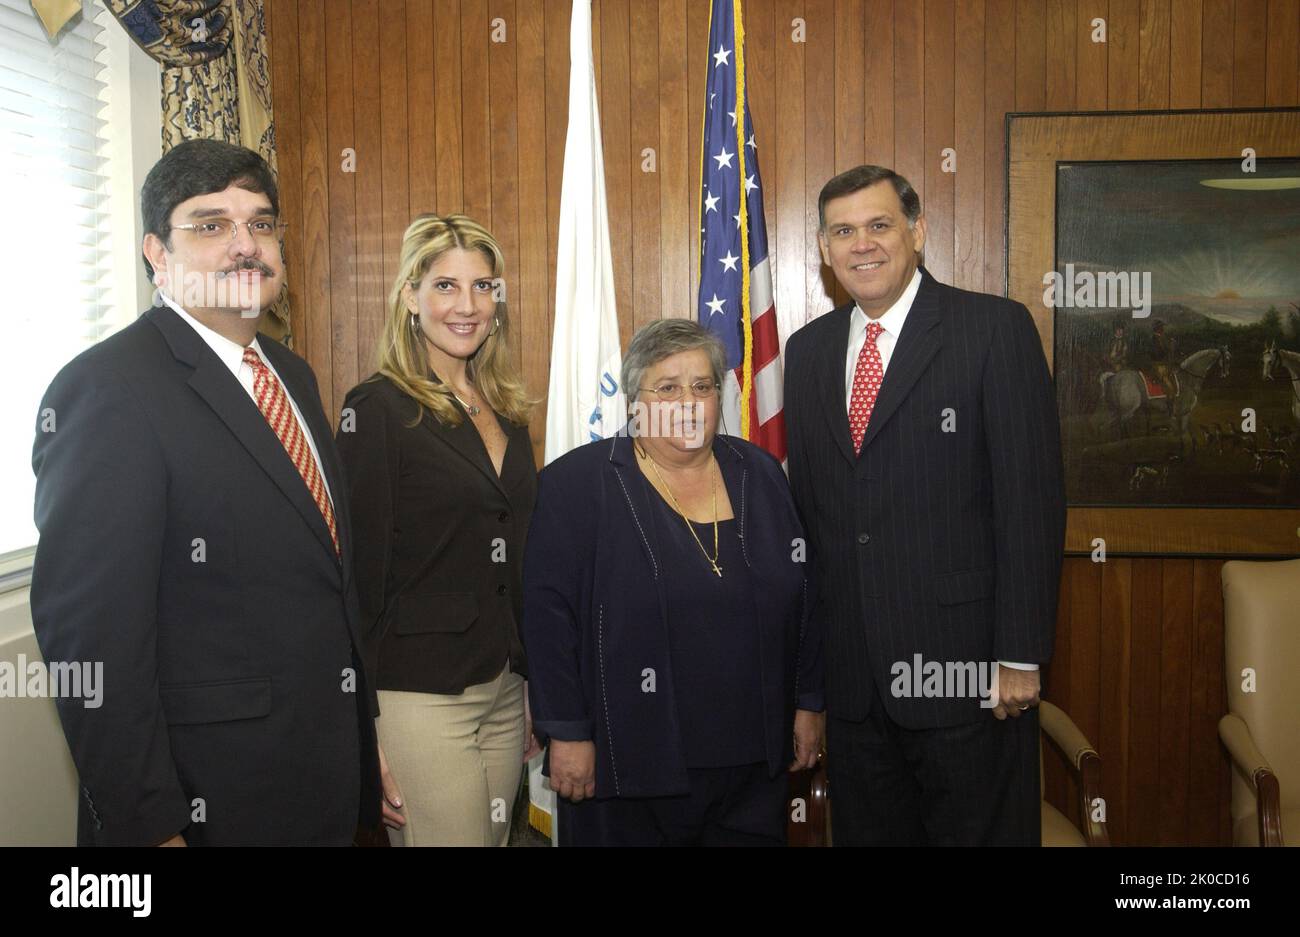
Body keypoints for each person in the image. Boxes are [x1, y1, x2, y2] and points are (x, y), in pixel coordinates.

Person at [30, 139, 381, 845]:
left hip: (325, 779)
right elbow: (89, 648)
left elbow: (326, 591)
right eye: (211, 224)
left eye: (261, 222)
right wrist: (150, 824)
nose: (245, 244)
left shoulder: (292, 375)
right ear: (157, 253)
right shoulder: (107, 390)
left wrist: (366, 756)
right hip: (207, 800)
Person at [783, 165, 1065, 845]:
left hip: (970, 677)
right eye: (843, 231)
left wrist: (1021, 655)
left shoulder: (993, 330)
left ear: (918, 231)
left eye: (879, 225)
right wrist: (811, 686)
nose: (862, 244)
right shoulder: (809, 352)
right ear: (823, 249)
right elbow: (815, 526)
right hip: (855, 690)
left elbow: (1030, 501)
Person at [523, 318, 824, 846]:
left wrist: (808, 701)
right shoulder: (576, 485)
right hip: (626, 769)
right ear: (634, 401)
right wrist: (566, 732)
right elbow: (549, 621)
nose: (688, 401)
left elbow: (804, 600)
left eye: (702, 386)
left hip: (752, 766)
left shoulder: (761, 475)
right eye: (667, 388)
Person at [336, 214, 537, 846]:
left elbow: (522, 555)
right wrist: (364, 728)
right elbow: (356, 578)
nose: (468, 305)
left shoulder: (507, 407)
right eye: (446, 286)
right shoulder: (376, 410)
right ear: (409, 297)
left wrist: (533, 683)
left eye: (483, 287)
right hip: (417, 694)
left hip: (506, 687)